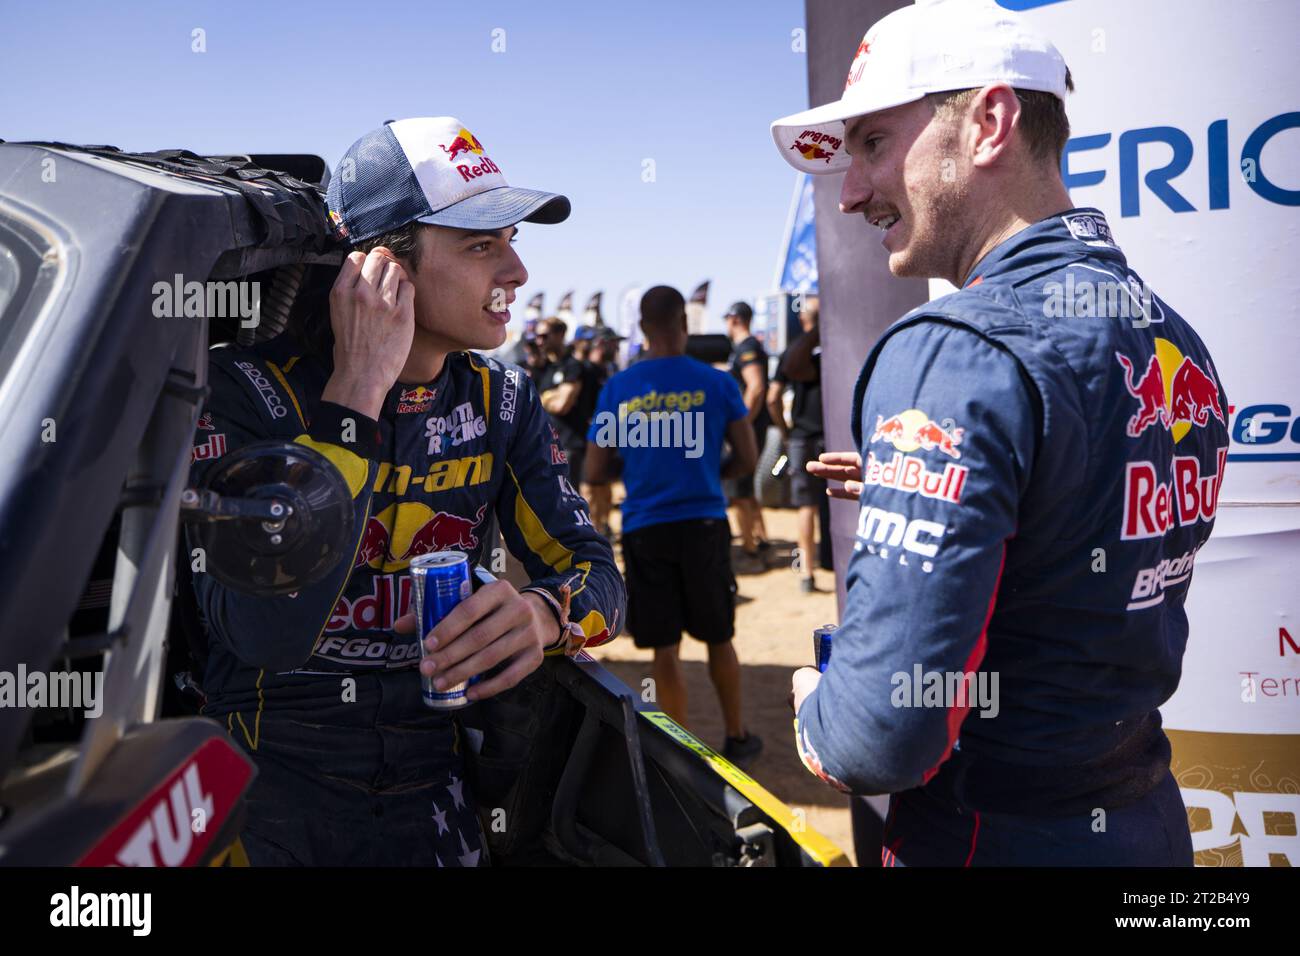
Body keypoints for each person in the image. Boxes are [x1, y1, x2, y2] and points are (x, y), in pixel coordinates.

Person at [775, 0, 1227, 866]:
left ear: (988, 124)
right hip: (1147, 823)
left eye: (874, 144)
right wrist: (958, 488)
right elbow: (1078, 524)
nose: (851, 194)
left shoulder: (956, 346)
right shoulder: (1173, 335)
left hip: (993, 834)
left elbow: (877, 737)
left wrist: (814, 713)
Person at [188, 116, 625, 866]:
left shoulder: (502, 400)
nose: (518, 272)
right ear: (379, 269)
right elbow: (266, 634)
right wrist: (357, 391)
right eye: (482, 245)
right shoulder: (246, 393)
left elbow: (601, 577)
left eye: (512, 240)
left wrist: (545, 614)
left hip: (436, 775)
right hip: (269, 772)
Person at [584, 286, 763, 767]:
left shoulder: (619, 388)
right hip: (704, 522)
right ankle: (737, 735)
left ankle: (681, 752)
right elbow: (748, 458)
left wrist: (640, 468)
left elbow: (594, 470)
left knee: (664, 647)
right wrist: (707, 473)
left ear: (642, 329)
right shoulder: (718, 382)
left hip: (646, 527)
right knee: (719, 636)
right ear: (685, 324)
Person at [767, 296, 825, 594]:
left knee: (806, 506)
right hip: (834, 435)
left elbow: (772, 398)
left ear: (802, 319)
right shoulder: (835, 348)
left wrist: (785, 432)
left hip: (802, 438)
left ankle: (807, 573)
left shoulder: (793, 353)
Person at [722, 301, 772, 571]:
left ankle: (751, 553)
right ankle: (761, 541)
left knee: (739, 492)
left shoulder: (747, 347)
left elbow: (756, 388)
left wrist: (741, 426)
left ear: (735, 319)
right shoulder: (744, 348)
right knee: (746, 489)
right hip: (752, 427)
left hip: (749, 428)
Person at [535, 317, 595, 487]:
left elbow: (561, 405)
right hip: (545, 445)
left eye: (544, 336)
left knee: (569, 497)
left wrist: (541, 398)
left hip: (569, 445)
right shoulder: (543, 368)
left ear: (560, 335)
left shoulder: (573, 366)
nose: (539, 341)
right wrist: (550, 396)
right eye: (537, 337)